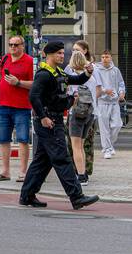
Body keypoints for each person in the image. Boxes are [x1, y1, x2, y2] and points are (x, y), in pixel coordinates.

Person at [19, 41, 99, 210]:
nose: (62, 56)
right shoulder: (43, 74)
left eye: (63, 53)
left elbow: (76, 79)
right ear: (49, 55)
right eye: (59, 54)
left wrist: (88, 73)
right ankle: (77, 197)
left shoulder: (58, 72)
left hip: (53, 119)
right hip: (48, 121)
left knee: (43, 160)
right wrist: (43, 117)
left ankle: (27, 195)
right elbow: (34, 97)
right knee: (62, 158)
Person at [0, 35, 33, 183]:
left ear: (23, 46)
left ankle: (23, 172)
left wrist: (19, 83)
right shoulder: (5, 59)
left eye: (16, 45)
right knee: (3, 139)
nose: (13, 47)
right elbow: (0, 79)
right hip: (4, 105)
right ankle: (5, 171)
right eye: (11, 45)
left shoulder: (29, 61)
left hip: (21, 106)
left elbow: (35, 84)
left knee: (22, 139)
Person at [67, 41, 98, 180]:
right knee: (82, 144)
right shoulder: (90, 77)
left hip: (77, 113)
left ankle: (80, 176)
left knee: (76, 146)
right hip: (90, 113)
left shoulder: (74, 77)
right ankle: (84, 172)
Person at [92, 50, 125, 158]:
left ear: (111, 58)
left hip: (114, 102)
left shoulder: (116, 70)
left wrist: (121, 92)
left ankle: (109, 145)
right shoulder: (96, 70)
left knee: (117, 125)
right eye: (102, 57)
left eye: (107, 57)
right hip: (102, 102)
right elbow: (95, 85)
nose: (104, 59)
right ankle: (107, 149)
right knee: (104, 127)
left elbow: (121, 83)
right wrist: (105, 91)